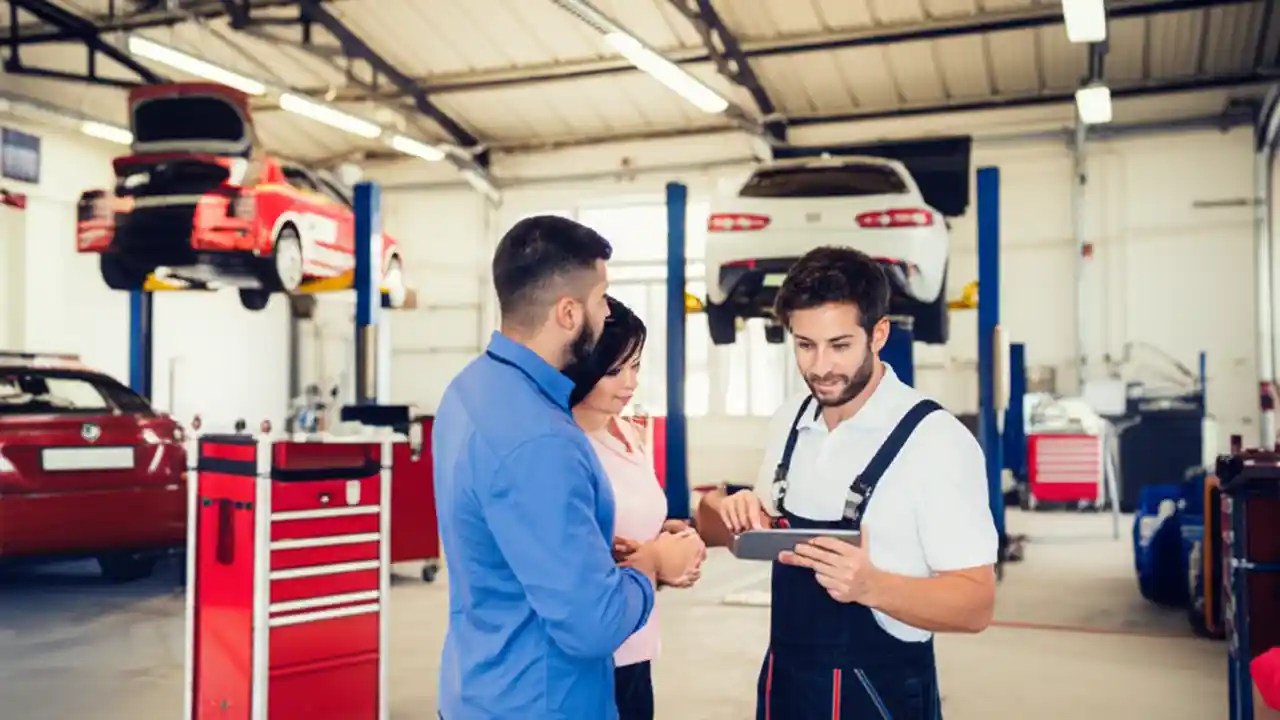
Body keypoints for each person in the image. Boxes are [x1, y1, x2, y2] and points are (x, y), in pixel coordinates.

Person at [432, 216, 706, 720]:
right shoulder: (543, 438)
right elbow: (592, 625)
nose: (606, 315)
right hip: (541, 701)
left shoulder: (467, 391)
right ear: (568, 312)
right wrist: (653, 564)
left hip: (475, 687)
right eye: (602, 300)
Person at [707, 245, 998, 719]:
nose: (820, 366)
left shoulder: (935, 442)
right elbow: (716, 528)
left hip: (880, 697)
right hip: (787, 689)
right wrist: (732, 510)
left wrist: (873, 586)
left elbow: (976, 603)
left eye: (840, 345)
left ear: (878, 334)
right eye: (805, 345)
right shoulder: (789, 422)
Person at [562, 295, 704, 720]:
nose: (631, 383)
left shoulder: (629, 433)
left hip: (637, 642)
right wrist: (657, 562)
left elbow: (635, 536)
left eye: (636, 366)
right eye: (614, 371)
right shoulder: (562, 447)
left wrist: (671, 542)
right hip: (590, 657)